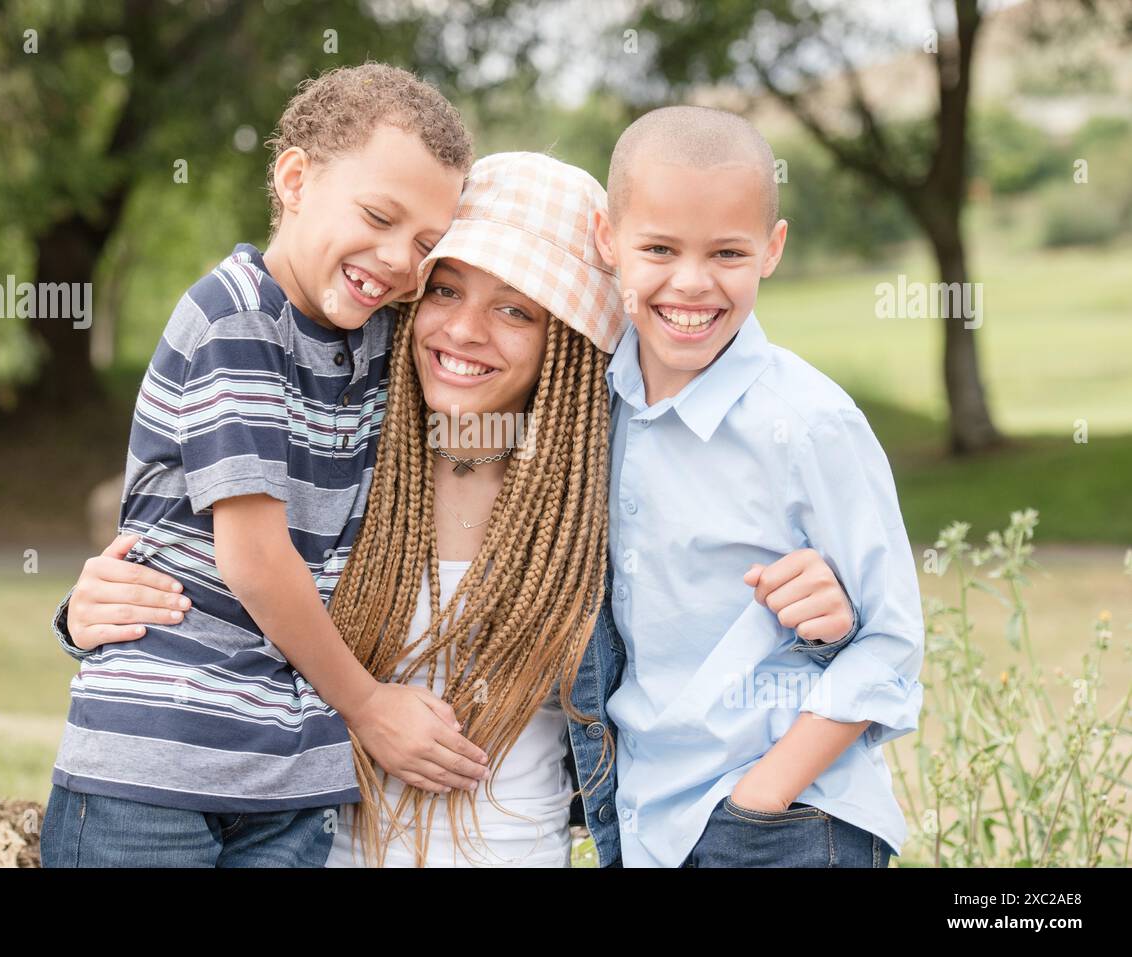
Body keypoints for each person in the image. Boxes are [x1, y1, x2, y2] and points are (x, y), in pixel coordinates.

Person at [57, 150, 860, 867]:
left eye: (517, 309)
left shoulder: (605, 489)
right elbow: (236, 571)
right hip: (307, 843)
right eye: (444, 289)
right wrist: (95, 605)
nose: (465, 331)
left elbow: (709, 651)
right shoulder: (349, 447)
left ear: (569, 339)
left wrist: (825, 615)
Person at [39, 63, 486, 869]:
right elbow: (254, 559)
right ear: (294, 178)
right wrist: (370, 707)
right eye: (379, 215)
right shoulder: (236, 319)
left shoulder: (379, 339)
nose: (396, 259)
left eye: (427, 243)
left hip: (287, 778)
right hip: (155, 769)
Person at [587, 104, 924, 868]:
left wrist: (763, 796)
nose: (692, 282)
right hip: (647, 824)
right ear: (608, 240)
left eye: (727, 253)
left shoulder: (810, 422)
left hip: (783, 825)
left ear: (771, 250)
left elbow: (892, 644)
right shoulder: (600, 407)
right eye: (660, 248)